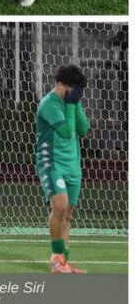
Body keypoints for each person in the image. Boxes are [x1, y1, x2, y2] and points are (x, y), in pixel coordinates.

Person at [35, 65, 89, 274]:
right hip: (52, 162)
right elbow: (66, 132)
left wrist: (74, 104)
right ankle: (56, 257)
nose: (76, 93)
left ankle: (63, 262)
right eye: (73, 89)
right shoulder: (49, 104)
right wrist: (72, 105)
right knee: (60, 206)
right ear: (61, 85)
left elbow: (83, 130)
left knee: (67, 215)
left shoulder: (72, 102)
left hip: (73, 164)